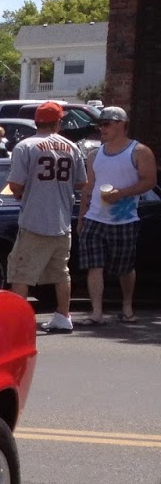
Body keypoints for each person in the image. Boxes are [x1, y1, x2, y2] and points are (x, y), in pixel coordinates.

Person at [5, 101, 86, 334]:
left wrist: (24, 192)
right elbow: (81, 182)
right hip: (62, 220)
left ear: (37, 121)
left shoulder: (25, 146)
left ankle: (18, 321)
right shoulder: (72, 147)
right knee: (61, 272)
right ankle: (63, 316)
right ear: (57, 122)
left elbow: (15, 185)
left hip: (34, 220)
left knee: (22, 273)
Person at [80, 105, 156, 325]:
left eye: (107, 124)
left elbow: (149, 181)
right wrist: (83, 217)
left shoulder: (139, 151)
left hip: (124, 219)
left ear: (122, 125)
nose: (102, 129)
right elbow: (89, 187)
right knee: (94, 265)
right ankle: (96, 312)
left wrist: (121, 193)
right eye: (100, 125)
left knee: (125, 267)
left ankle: (127, 306)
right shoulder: (95, 155)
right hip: (95, 217)